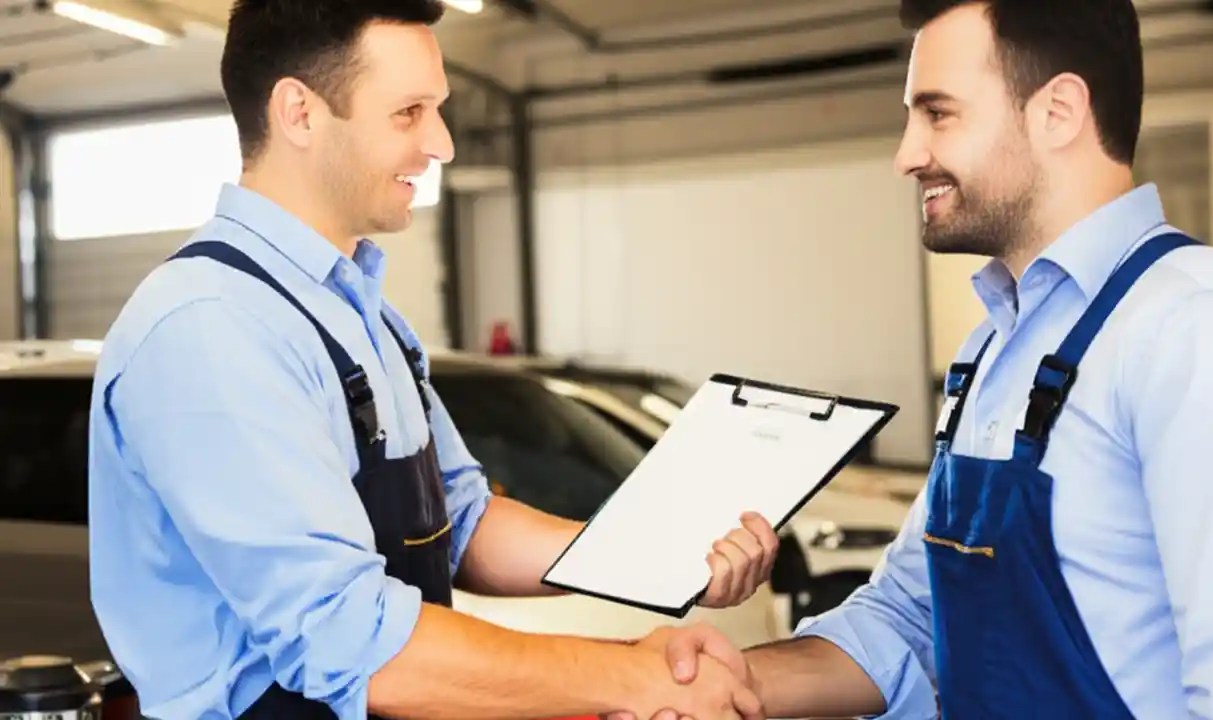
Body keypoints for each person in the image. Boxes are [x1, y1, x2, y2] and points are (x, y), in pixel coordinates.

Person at [85, 1, 779, 718]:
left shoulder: (363, 314)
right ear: (299, 113)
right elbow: (350, 640)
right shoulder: (211, 327)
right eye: (409, 112)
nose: (442, 143)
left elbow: (462, 523)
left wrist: (664, 553)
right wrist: (633, 676)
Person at [630, 0, 1213, 718]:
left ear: (1058, 111)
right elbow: (911, 618)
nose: (906, 155)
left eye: (938, 114)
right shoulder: (994, 347)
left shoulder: (1202, 330)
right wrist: (726, 685)